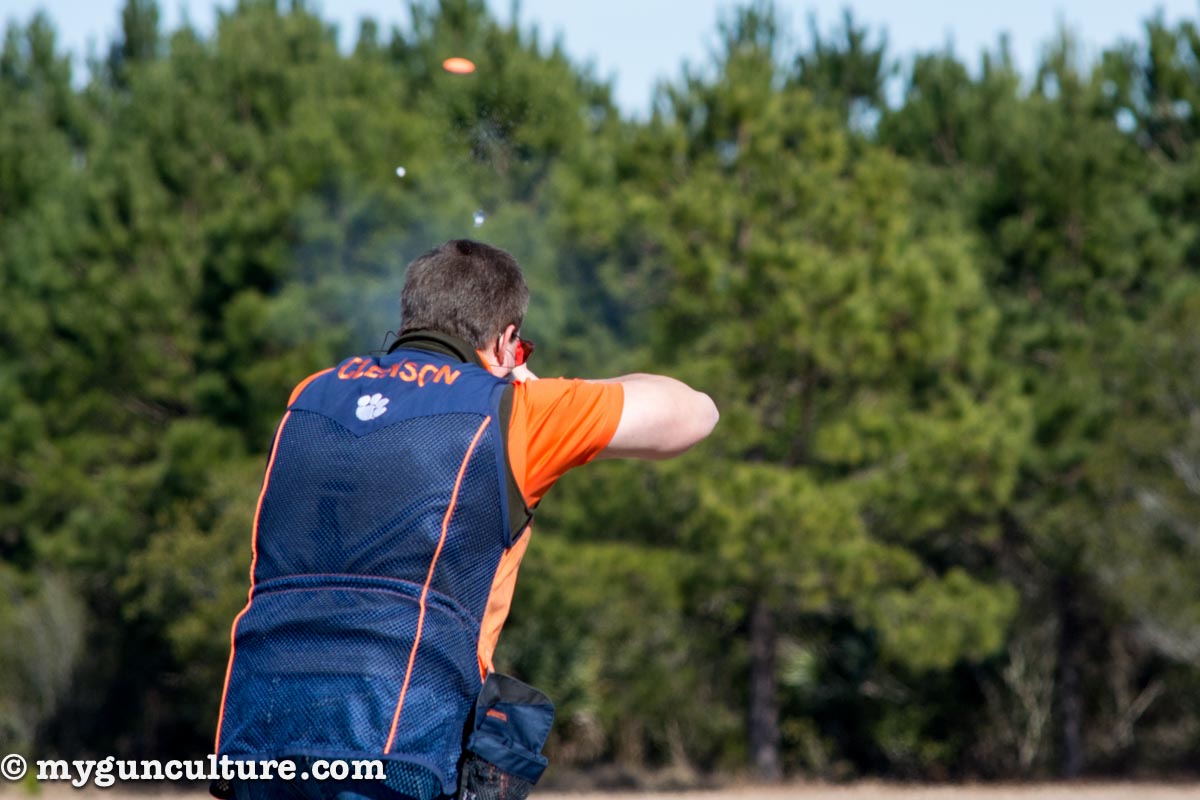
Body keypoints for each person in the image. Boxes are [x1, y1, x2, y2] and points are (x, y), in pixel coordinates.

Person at [213, 239, 718, 800]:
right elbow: (694, 413)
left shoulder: (308, 396)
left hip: (259, 736)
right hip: (404, 748)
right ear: (506, 341)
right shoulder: (514, 409)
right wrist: (524, 380)